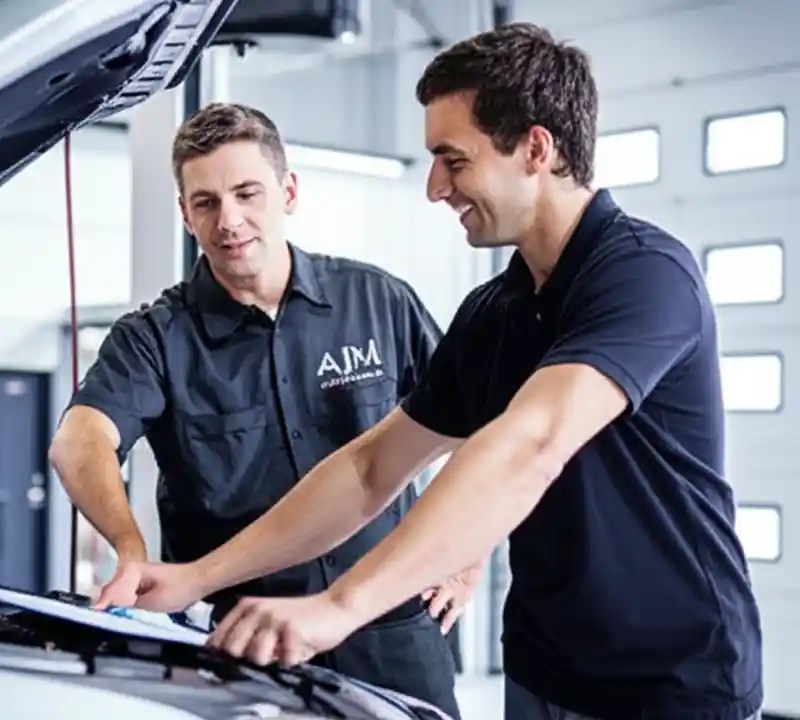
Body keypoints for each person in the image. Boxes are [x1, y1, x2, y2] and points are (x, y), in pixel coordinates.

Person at [118, 24, 765, 720]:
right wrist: (196, 578)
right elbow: (371, 468)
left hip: (672, 684)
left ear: (536, 149)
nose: (434, 187)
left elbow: (531, 443)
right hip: (546, 672)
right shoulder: (495, 310)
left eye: (452, 160)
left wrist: (342, 607)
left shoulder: (645, 274)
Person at [47, 101, 469, 718]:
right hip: (246, 644)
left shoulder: (377, 301)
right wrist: (129, 547)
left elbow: (477, 429)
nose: (230, 220)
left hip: (392, 629)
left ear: (288, 191)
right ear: (186, 215)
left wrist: (465, 556)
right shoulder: (154, 338)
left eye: (248, 193)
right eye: (207, 202)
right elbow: (78, 442)